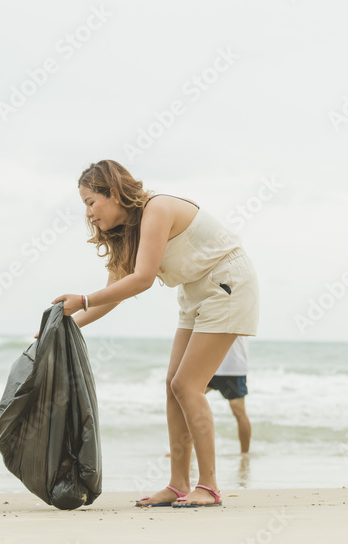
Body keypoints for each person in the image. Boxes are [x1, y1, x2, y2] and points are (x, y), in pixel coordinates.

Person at [53, 161, 259, 507]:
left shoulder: (157, 208)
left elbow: (143, 279)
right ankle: (179, 483)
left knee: (186, 385)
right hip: (196, 290)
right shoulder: (127, 232)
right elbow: (115, 294)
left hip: (227, 283)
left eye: (91, 202)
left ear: (114, 193)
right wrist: (64, 325)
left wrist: (83, 299)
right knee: (172, 384)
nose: (88, 213)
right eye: (84, 205)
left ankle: (208, 486)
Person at [205, 336, 251, 454]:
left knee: (239, 412)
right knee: (186, 399)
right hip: (208, 366)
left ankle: (244, 454)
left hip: (232, 369)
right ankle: (185, 450)